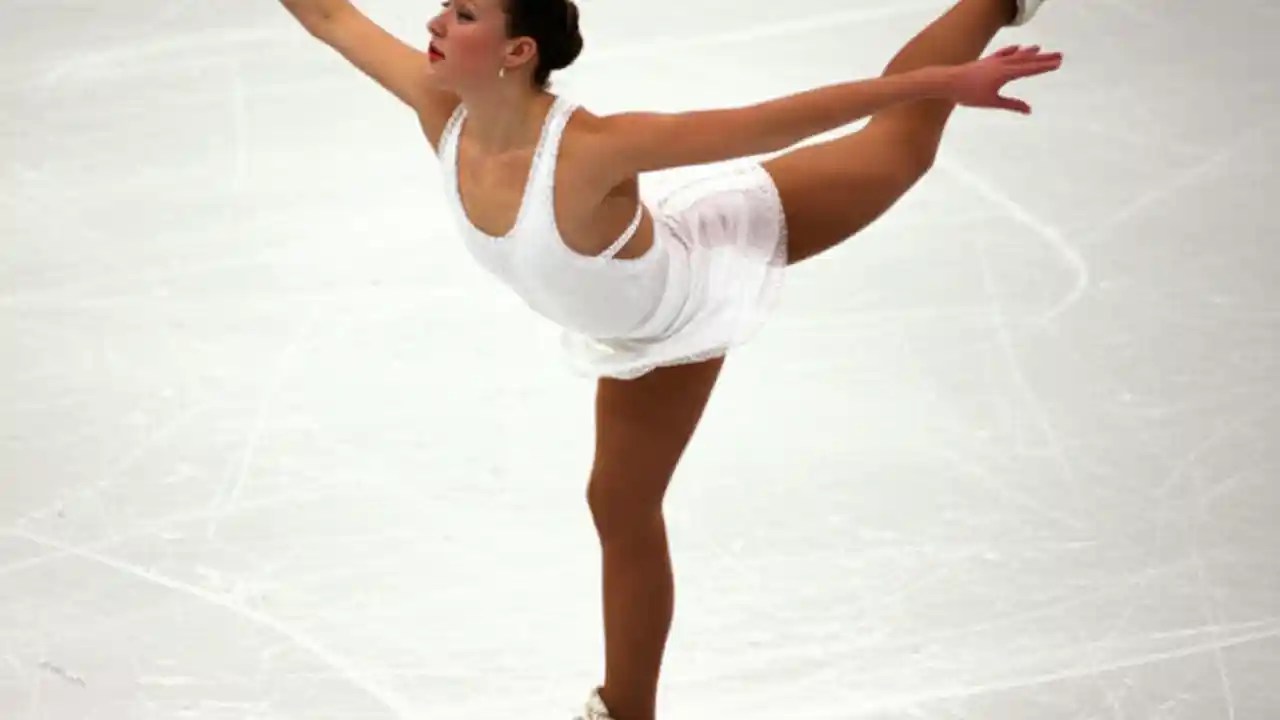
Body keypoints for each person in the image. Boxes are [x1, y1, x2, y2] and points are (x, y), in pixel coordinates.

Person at [278, 0, 1061, 717]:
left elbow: (768, 122)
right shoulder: (439, 109)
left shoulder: (593, 149)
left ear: (517, 51)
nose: (438, 21)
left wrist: (946, 82)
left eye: (466, 13)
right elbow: (329, 15)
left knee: (897, 148)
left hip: (683, 305)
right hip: (644, 293)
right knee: (617, 505)